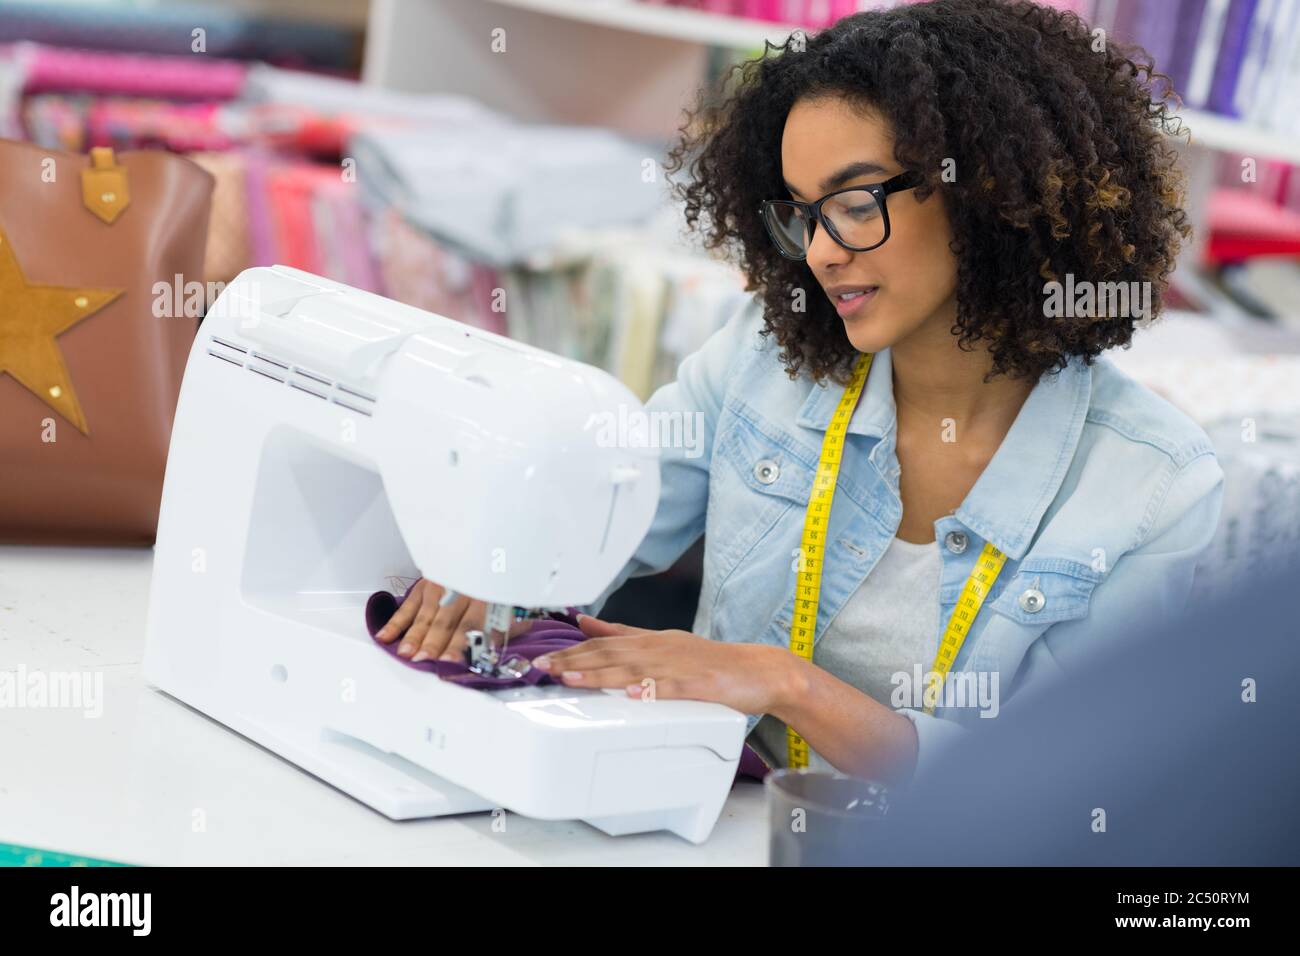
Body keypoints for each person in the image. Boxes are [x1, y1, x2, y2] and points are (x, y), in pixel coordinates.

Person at [377, 0, 1224, 788]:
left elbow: (1047, 782)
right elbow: (605, 507)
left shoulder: (1154, 489)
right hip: (714, 820)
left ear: (989, 191)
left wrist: (785, 685)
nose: (820, 253)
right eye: (802, 216)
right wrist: (498, 566)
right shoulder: (762, 359)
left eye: (855, 205)